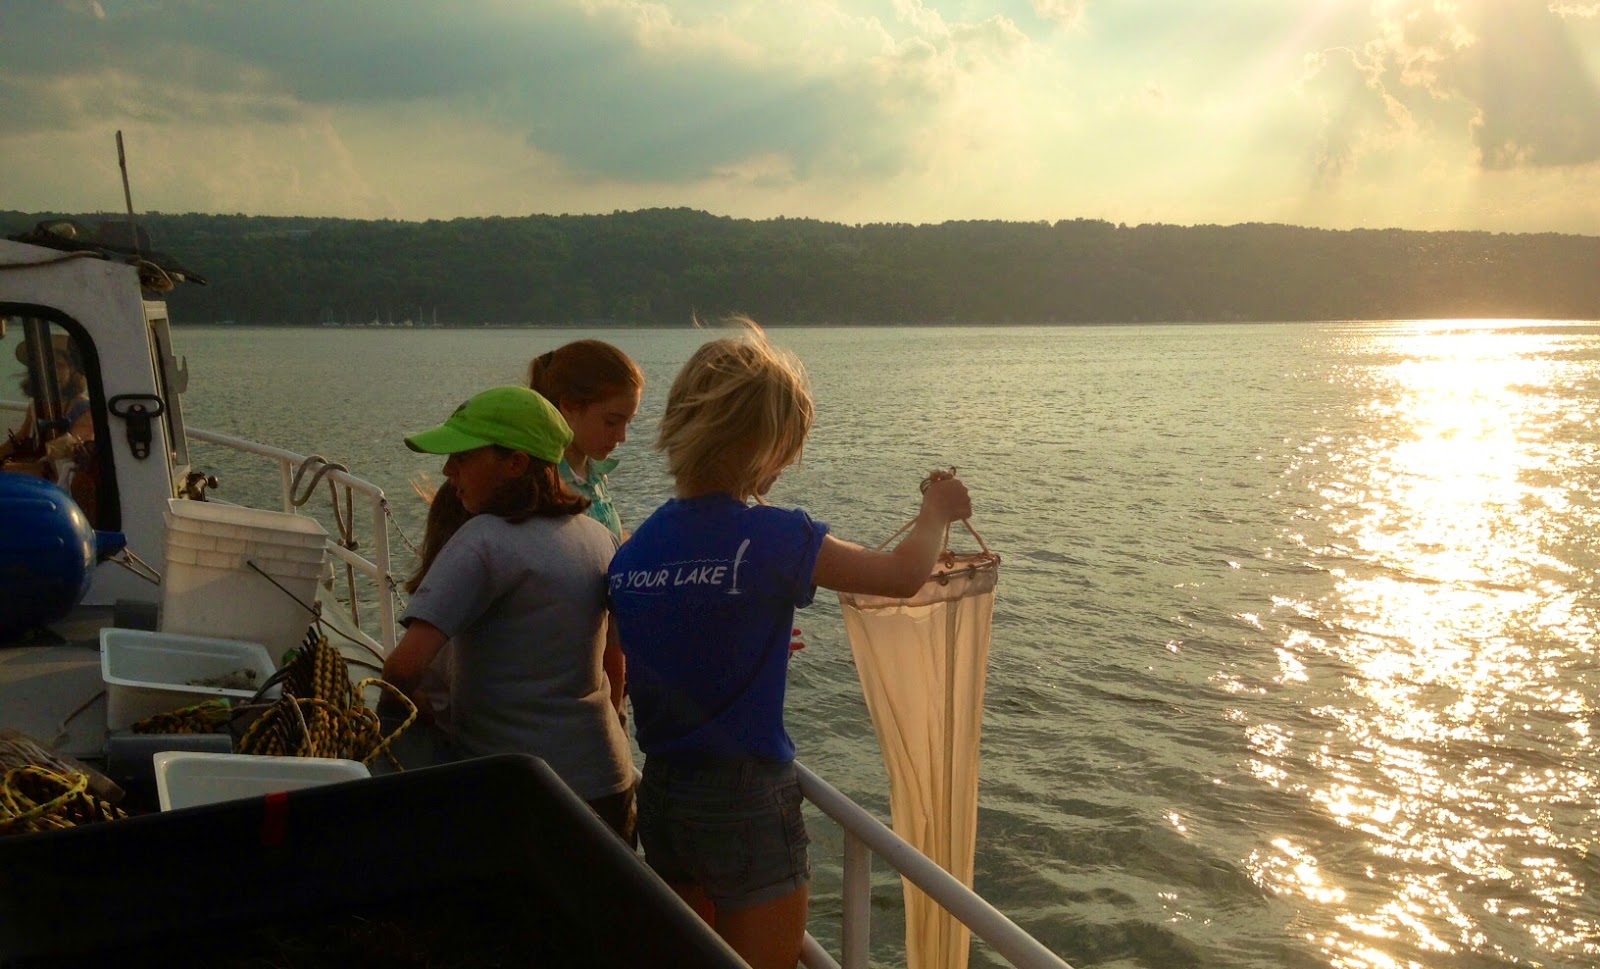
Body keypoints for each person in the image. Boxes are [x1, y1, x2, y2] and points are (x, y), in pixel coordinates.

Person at [607, 320, 972, 969]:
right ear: (762, 444)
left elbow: (674, 641)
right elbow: (902, 577)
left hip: (663, 796)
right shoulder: (774, 537)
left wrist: (747, 637)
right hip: (747, 803)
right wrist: (936, 511)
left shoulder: (634, 550)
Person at [382, 386, 636, 843]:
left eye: (462, 457)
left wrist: (405, 709)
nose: (447, 470)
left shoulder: (484, 540)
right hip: (608, 784)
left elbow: (402, 667)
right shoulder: (600, 537)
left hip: (521, 793)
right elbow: (614, 663)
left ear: (516, 463)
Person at [527, 340, 644, 542]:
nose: (622, 437)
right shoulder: (541, 482)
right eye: (611, 422)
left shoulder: (596, 473)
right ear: (569, 406)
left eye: (628, 422)